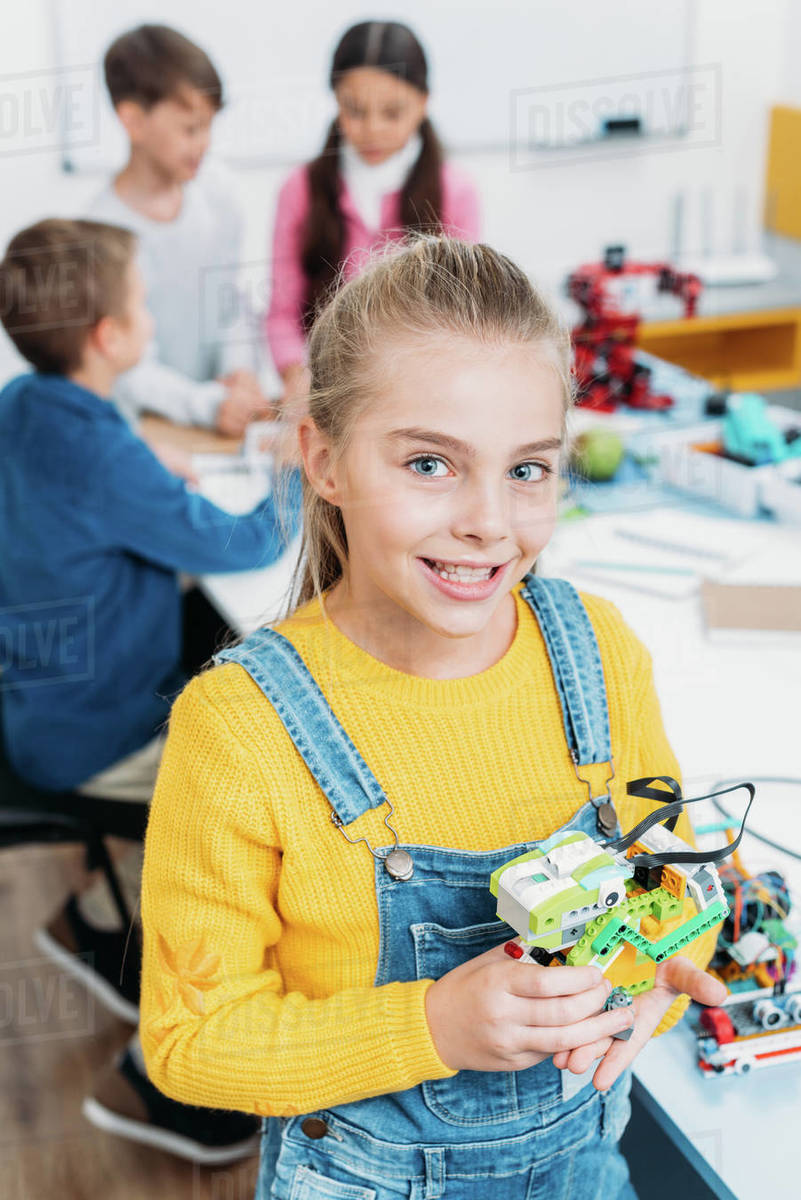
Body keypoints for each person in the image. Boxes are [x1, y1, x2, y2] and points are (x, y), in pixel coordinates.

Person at [140, 237, 725, 1197]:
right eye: (429, 464)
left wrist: (651, 981)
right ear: (323, 461)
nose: (489, 521)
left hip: (583, 1168)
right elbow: (192, 1040)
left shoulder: (598, 651)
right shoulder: (240, 728)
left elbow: (671, 862)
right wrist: (435, 1027)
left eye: (528, 470)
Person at [0, 220, 296, 1161]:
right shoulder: (97, 446)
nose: (149, 314)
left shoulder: (26, 405)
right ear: (109, 338)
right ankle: (175, 1080)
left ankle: (97, 920)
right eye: (140, 303)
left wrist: (143, 475)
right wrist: (293, 475)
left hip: (40, 707)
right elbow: (245, 544)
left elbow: (76, 490)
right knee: (274, 807)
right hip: (97, 732)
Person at [265, 20, 481, 409]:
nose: (372, 129)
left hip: (421, 398)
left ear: (423, 103)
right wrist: (299, 382)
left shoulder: (455, 192)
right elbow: (282, 315)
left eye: (392, 112)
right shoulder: (300, 189)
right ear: (335, 101)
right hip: (325, 399)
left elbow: (460, 322)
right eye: (355, 110)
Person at [88, 24, 273, 444]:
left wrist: (239, 373)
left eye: (209, 126)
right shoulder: (103, 233)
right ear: (133, 121)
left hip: (221, 423)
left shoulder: (218, 193)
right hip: (150, 430)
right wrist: (206, 404)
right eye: (190, 129)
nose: (203, 143)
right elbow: (127, 368)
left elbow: (231, 302)